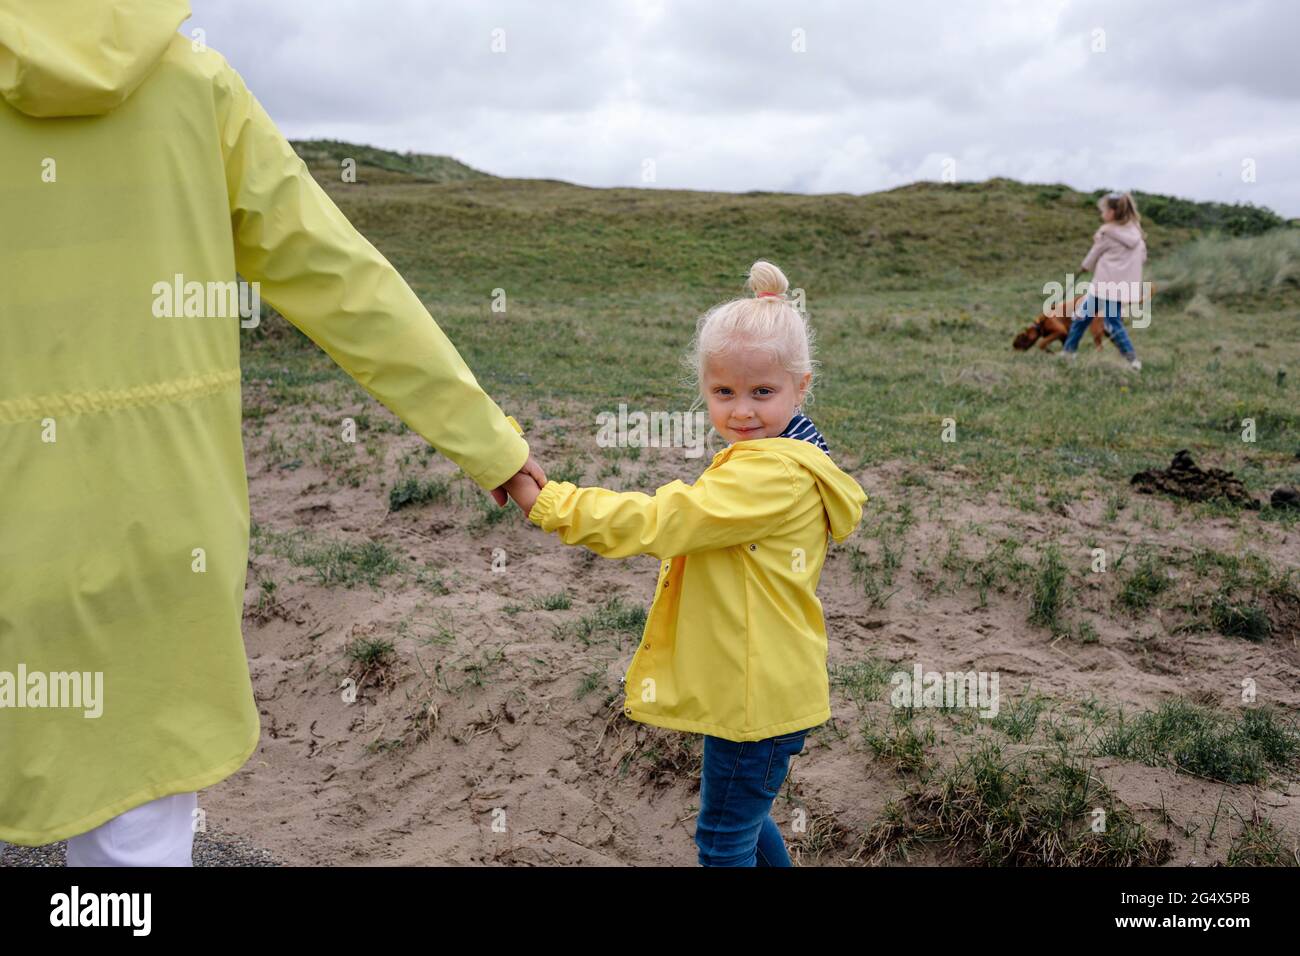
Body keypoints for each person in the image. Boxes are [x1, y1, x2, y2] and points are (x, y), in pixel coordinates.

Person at [0, 0, 544, 864]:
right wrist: (490, 443)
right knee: (135, 848)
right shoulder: (196, 85)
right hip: (161, 536)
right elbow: (343, 279)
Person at [509, 261, 868, 866]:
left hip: (754, 699)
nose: (742, 411)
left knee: (722, 843)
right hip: (760, 688)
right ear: (703, 388)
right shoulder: (794, 454)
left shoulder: (769, 474)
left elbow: (663, 520)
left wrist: (550, 503)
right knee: (745, 826)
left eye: (762, 392)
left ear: (800, 386)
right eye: (723, 393)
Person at [1060, 190, 1148, 372]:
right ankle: (1132, 361)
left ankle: (1069, 353)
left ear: (1113, 212)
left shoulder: (1107, 233)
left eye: (1104, 210)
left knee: (1084, 318)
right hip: (1122, 287)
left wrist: (1084, 267)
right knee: (1107, 321)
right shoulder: (1136, 232)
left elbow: (1094, 254)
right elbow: (1143, 257)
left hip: (1103, 286)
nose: (1102, 214)